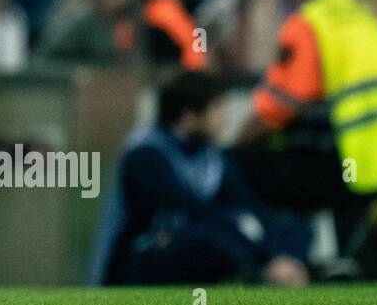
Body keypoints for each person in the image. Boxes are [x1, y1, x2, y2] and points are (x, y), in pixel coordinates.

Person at [237, 0, 377, 267]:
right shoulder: (367, 18)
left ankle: (274, 261)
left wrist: (236, 142)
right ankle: (335, 260)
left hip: (342, 161)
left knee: (237, 165)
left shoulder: (310, 22)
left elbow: (281, 105)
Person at [91, 70, 307, 287]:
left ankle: (275, 271)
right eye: (217, 109)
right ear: (189, 116)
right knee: (205, 240)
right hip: (140, 258)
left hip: (196, 241)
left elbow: (248, 205)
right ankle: (256, 276)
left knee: (293, 227)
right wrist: (261, 253)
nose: (224, 119)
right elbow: (193, 208)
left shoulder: (211, 157)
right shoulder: (146, 154)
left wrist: (280, 254)